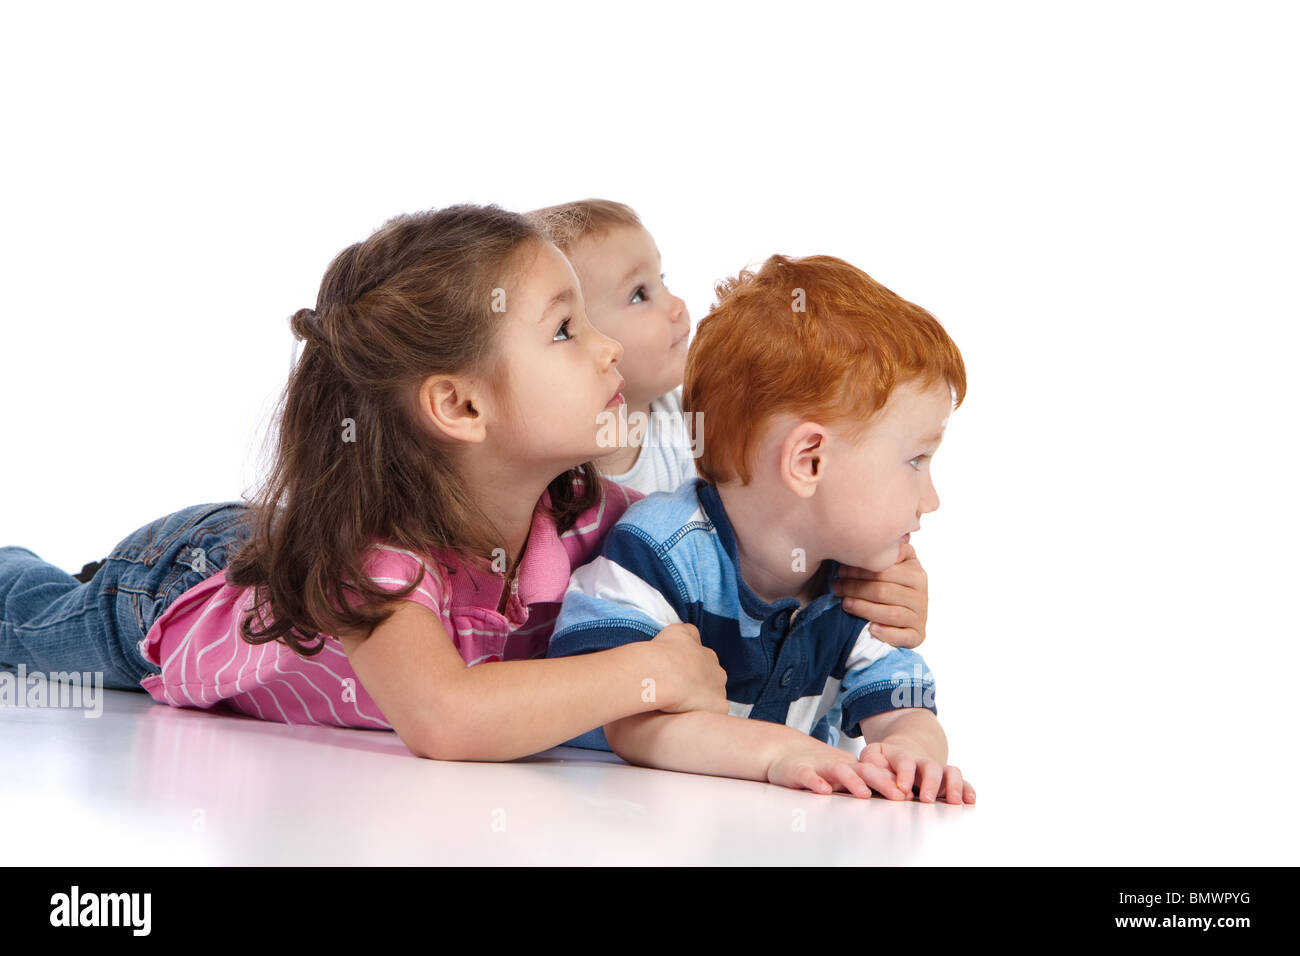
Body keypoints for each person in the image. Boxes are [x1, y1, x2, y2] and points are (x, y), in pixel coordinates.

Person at [0, 204, 731, 760]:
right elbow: (446, 717)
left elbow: (721, 543)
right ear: (460, 405)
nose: (610, 351)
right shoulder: (375, 562)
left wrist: (837, 571)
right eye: (566, 331)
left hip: (278, 535)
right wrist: (647, 673)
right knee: (27, 622)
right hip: (178, 585)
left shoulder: (580, 513)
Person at [548, 254, 976, 804]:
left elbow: (901, 704)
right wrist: (777, 752)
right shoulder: (659, 551)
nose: (932, 499)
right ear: (809, 462)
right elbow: (632, 721)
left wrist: (912, 751)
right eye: (916, 460)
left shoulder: (859, 579)